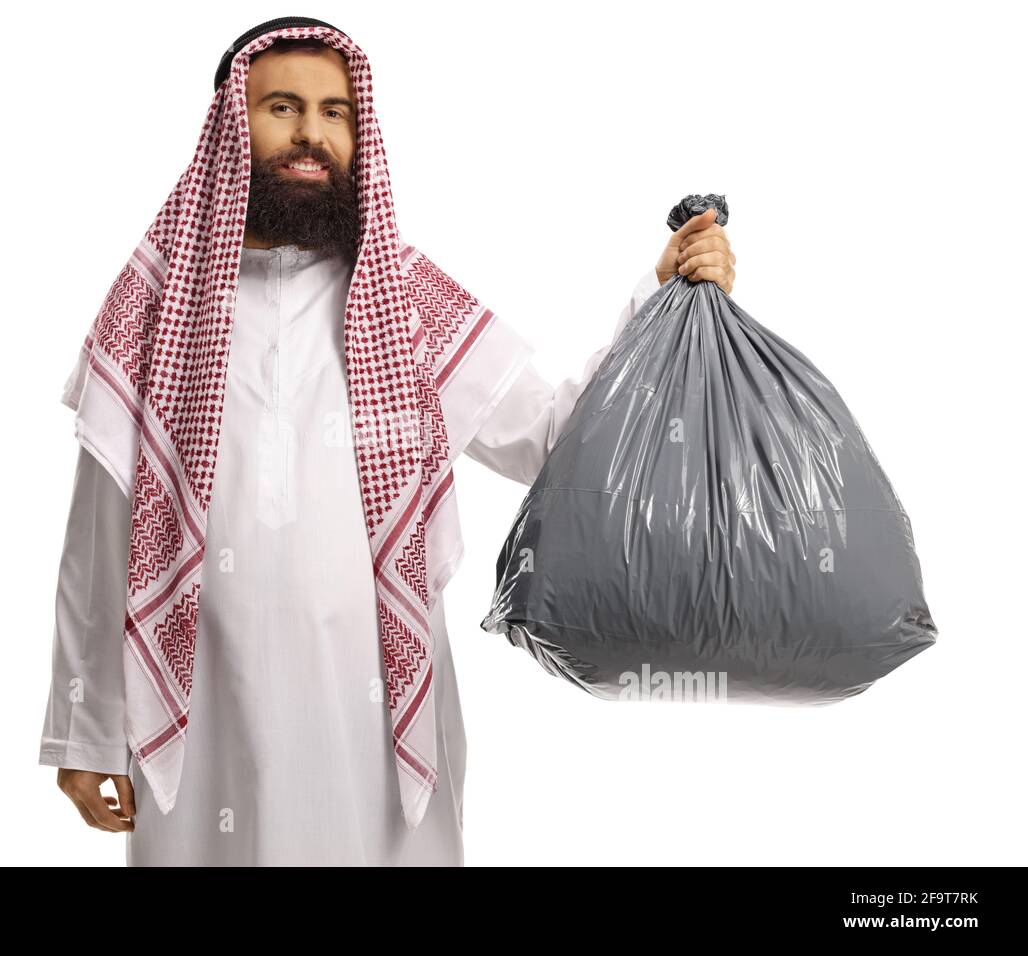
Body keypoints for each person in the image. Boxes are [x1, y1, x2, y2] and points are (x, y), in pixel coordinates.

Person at [37, 18, 735, 866]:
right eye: (283, 107)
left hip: (374, 705)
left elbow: (557, 438)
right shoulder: (155, 306)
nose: (312, 135)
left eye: (336, 113)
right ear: (228, 127)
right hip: (199, 705)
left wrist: (655, 300)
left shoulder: (402, 300)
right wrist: (86, 727)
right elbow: (99, 535)